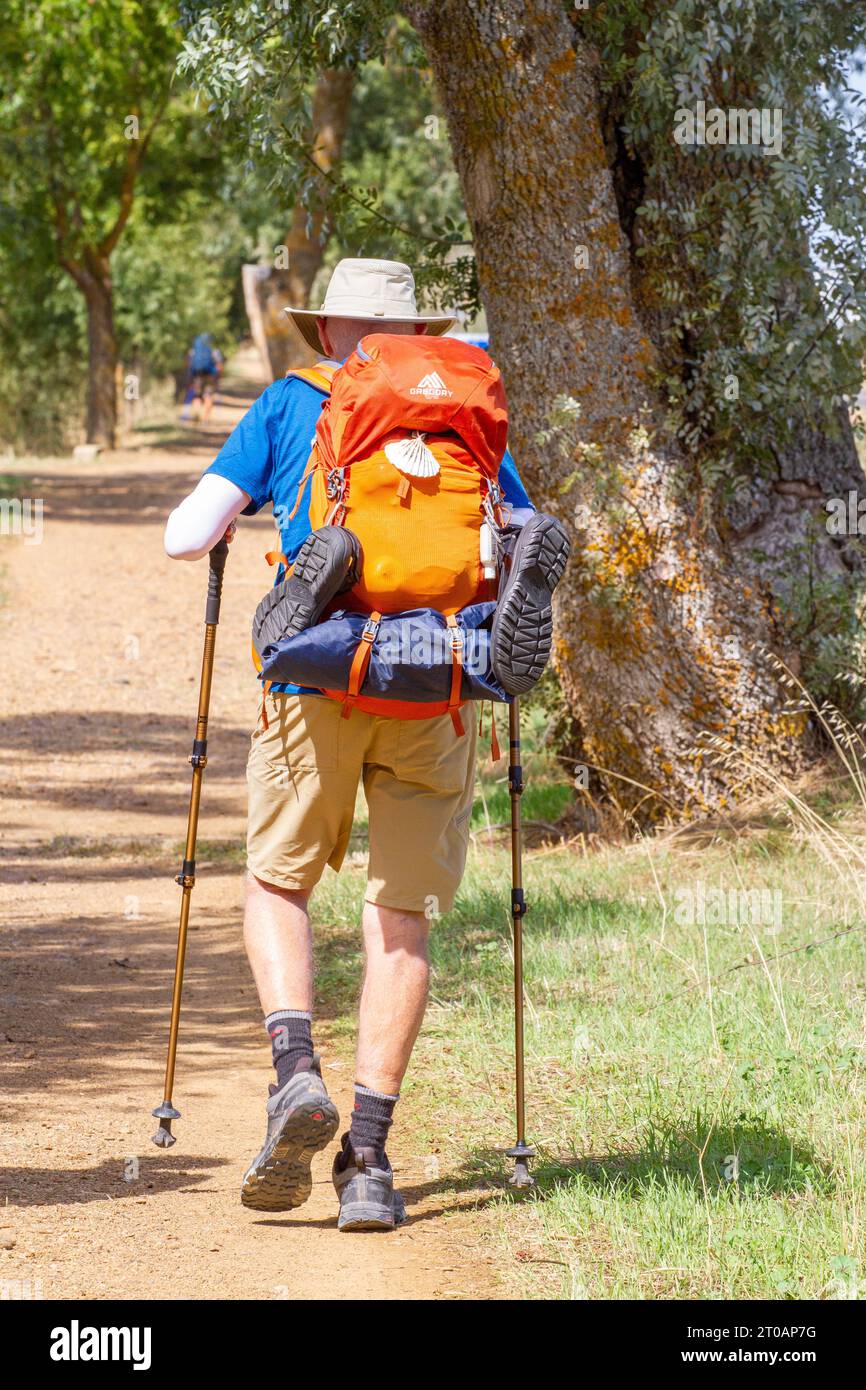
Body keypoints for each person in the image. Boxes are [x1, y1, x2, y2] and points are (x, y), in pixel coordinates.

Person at [164, 259, 557, 1232]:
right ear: (414, 327)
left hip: (318, 676)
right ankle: (371, 1161)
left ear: (328, 326)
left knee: (277, 882)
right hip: (437, 683)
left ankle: (295, 1071)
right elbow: (514, 533)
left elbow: (186, 534)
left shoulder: (292, 402)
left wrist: (248, 510)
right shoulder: (461, 403)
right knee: (403, 917)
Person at [180, 333, 224, 424]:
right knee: (208, 395)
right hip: (210, 377)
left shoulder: (193, 351)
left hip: (197, 376)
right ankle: (205, 419)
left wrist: (190, 377)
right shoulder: (214, 351)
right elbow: (219, 366)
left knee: (197, 396)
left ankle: (197, 416)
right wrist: (217, 376)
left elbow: (188, 364)